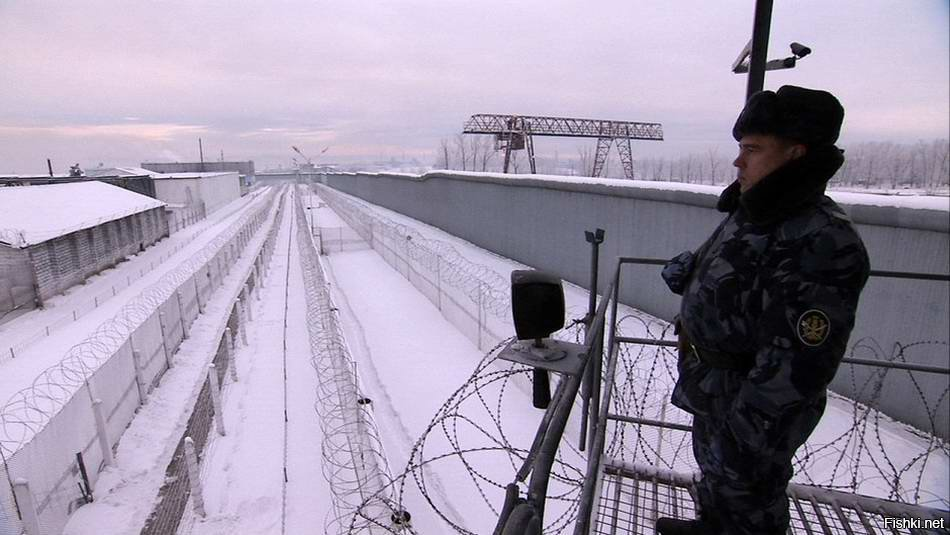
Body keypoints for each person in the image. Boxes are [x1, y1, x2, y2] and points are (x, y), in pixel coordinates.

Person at [657, 86, 870, 535]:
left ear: (795, 153)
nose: (739, 161)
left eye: (752, 149)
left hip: (752, 407)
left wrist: (745, 436)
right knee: (717, 480)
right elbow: (737, 269)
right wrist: (690, 274)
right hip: (715, 388)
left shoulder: (821, 239)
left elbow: (799, 364)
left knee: (748, 497)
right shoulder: (756, 210)